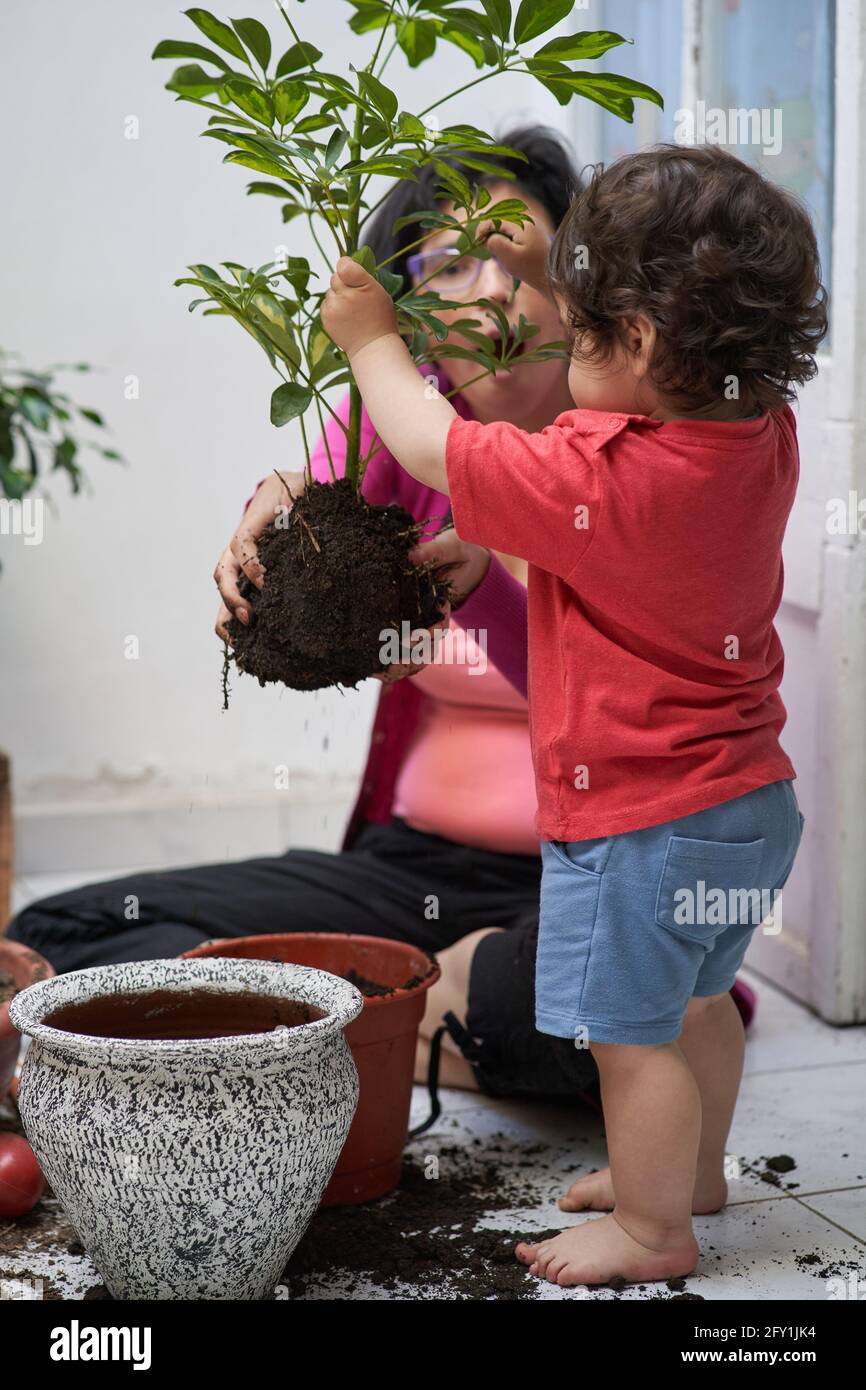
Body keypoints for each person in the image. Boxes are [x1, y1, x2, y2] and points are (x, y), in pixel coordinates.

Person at [6, 128, 607, 1102]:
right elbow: (314, 506)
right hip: (404, 870)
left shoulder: (619, 455)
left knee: (579, 1014)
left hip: (586, 870)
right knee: (67, 930)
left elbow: (601, 693)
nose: (492, 293)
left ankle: (360, 1014)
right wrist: (271, 528)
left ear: (576, 287)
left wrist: (490, 574)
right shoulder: (401, 420)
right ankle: (404, 1005)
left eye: (517, 260)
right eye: (450, 266)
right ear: (401, 304)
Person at [320, 142, 827, 1286]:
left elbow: (427, 442)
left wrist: (373, 342)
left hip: (641, 822)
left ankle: (655, 1228)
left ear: (634, 344)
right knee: (701, 1004)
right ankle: (691, 1173)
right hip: (749, 807)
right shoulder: (759, 437)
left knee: (627, 1034)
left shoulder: (596, 479)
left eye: (583, 327)